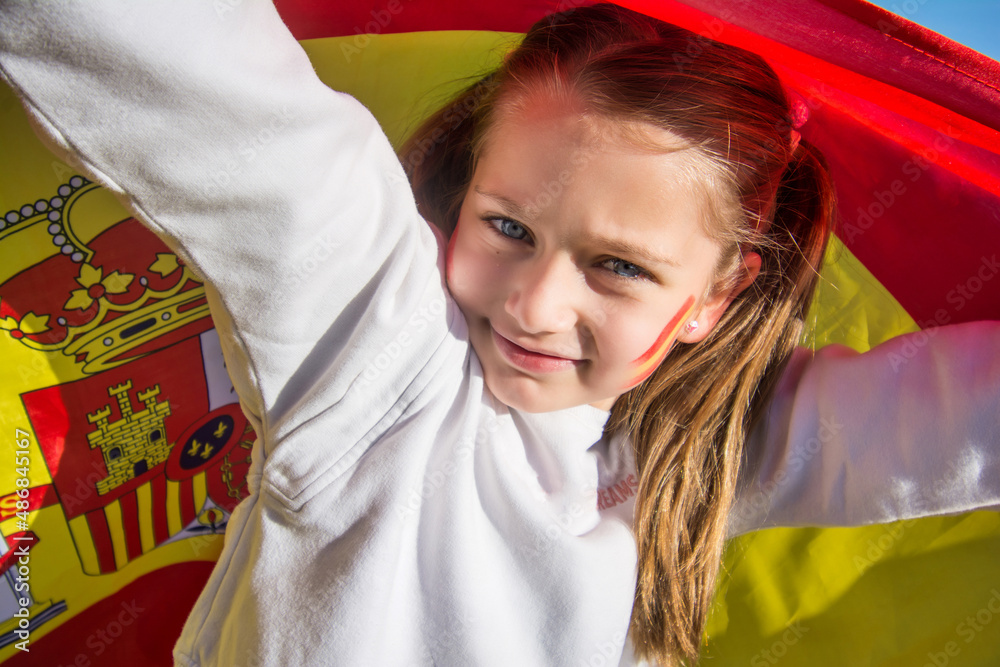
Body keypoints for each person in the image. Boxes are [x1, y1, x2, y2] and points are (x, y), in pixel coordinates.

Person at [0, 2, 997, 665]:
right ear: (464, 189)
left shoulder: (699, 450)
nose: (530, 304)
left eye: (617, 267)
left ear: (714, 296)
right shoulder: (380, 358)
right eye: (507, 227)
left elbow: (955, 424)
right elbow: (225, 108)